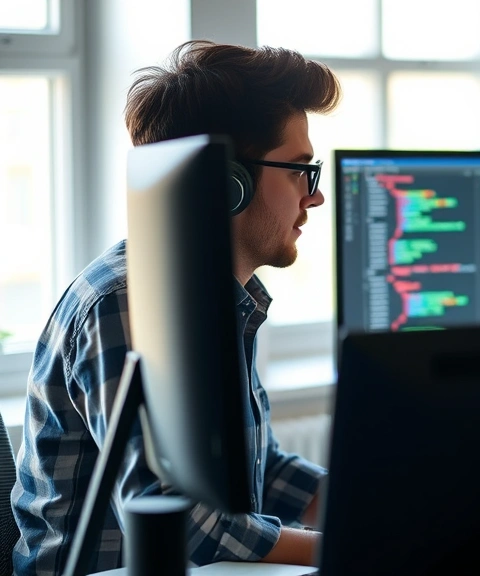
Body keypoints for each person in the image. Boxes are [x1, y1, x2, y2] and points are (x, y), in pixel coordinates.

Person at [11, 40, 342, 576]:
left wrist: (381, 504)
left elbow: (262, 470)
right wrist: (356, 544)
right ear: (227, 184)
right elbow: (186, 524)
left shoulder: (222, 298)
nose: (315, 196)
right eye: (299, 170)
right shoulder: (127, 301)